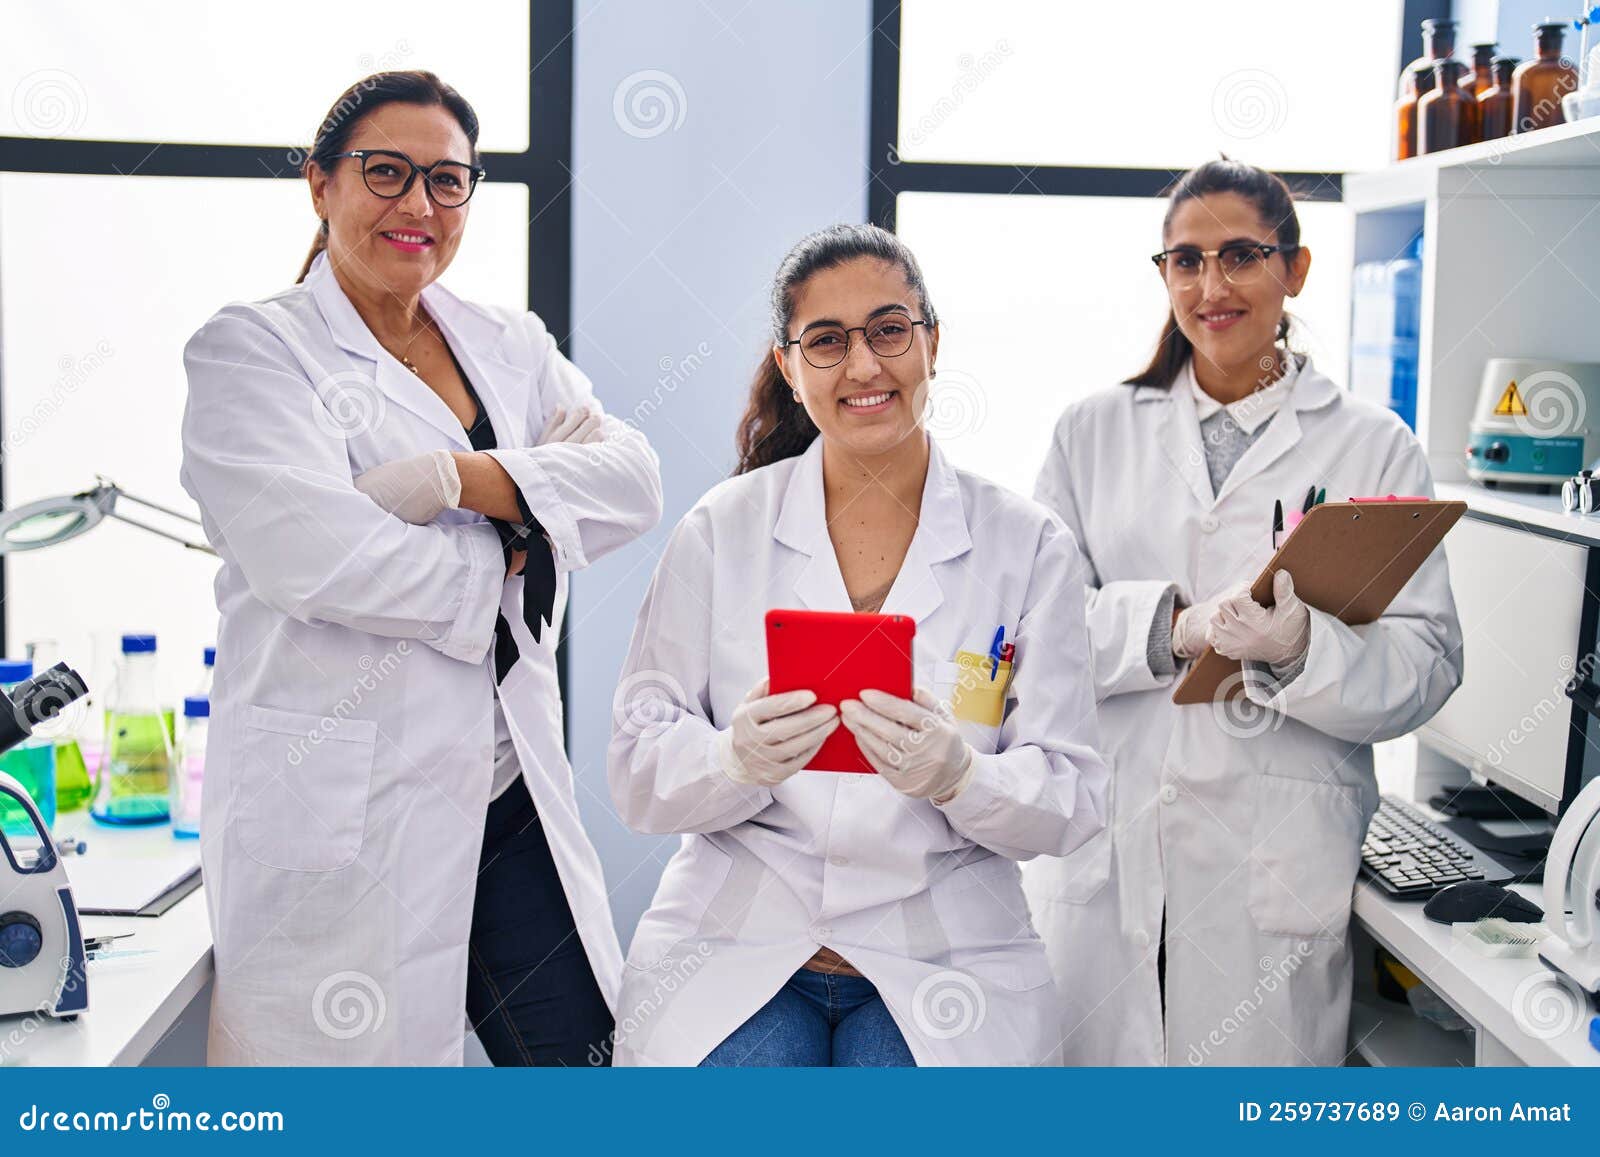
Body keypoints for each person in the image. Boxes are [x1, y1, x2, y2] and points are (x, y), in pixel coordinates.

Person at [179, 71, 662, 1065]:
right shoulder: (253, 352)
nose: (417, 206)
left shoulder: (508, 343)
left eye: (447, 181)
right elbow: (315, 559)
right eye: (385, 172)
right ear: (320, 183)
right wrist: (521, 539)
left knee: (587, 1062)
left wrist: (456, 475)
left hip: (505, 786)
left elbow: (630, 481)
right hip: (348, 803)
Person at [605, 223, 1108, 1067]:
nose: (866, 366)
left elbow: (1073, 795)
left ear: (932, 343)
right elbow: (635, 768)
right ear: (789, 366)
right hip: (741, 937)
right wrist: (732, 761)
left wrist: (963, 775)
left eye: (889, 329)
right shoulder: (722, 531)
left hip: (946, 946)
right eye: (827, 342)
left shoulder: (1027, 545)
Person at [1023, 158, 1462, 1066]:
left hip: (1274, 857)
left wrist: (1306, 651)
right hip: (1114, 842)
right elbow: (1034, 632)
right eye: (1185, 260)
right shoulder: (1090, 431)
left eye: (1241, 255)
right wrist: (1170, 625)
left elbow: (1428, 662)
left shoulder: (1374, 444)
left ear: (1294, 270)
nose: (1211, 285)